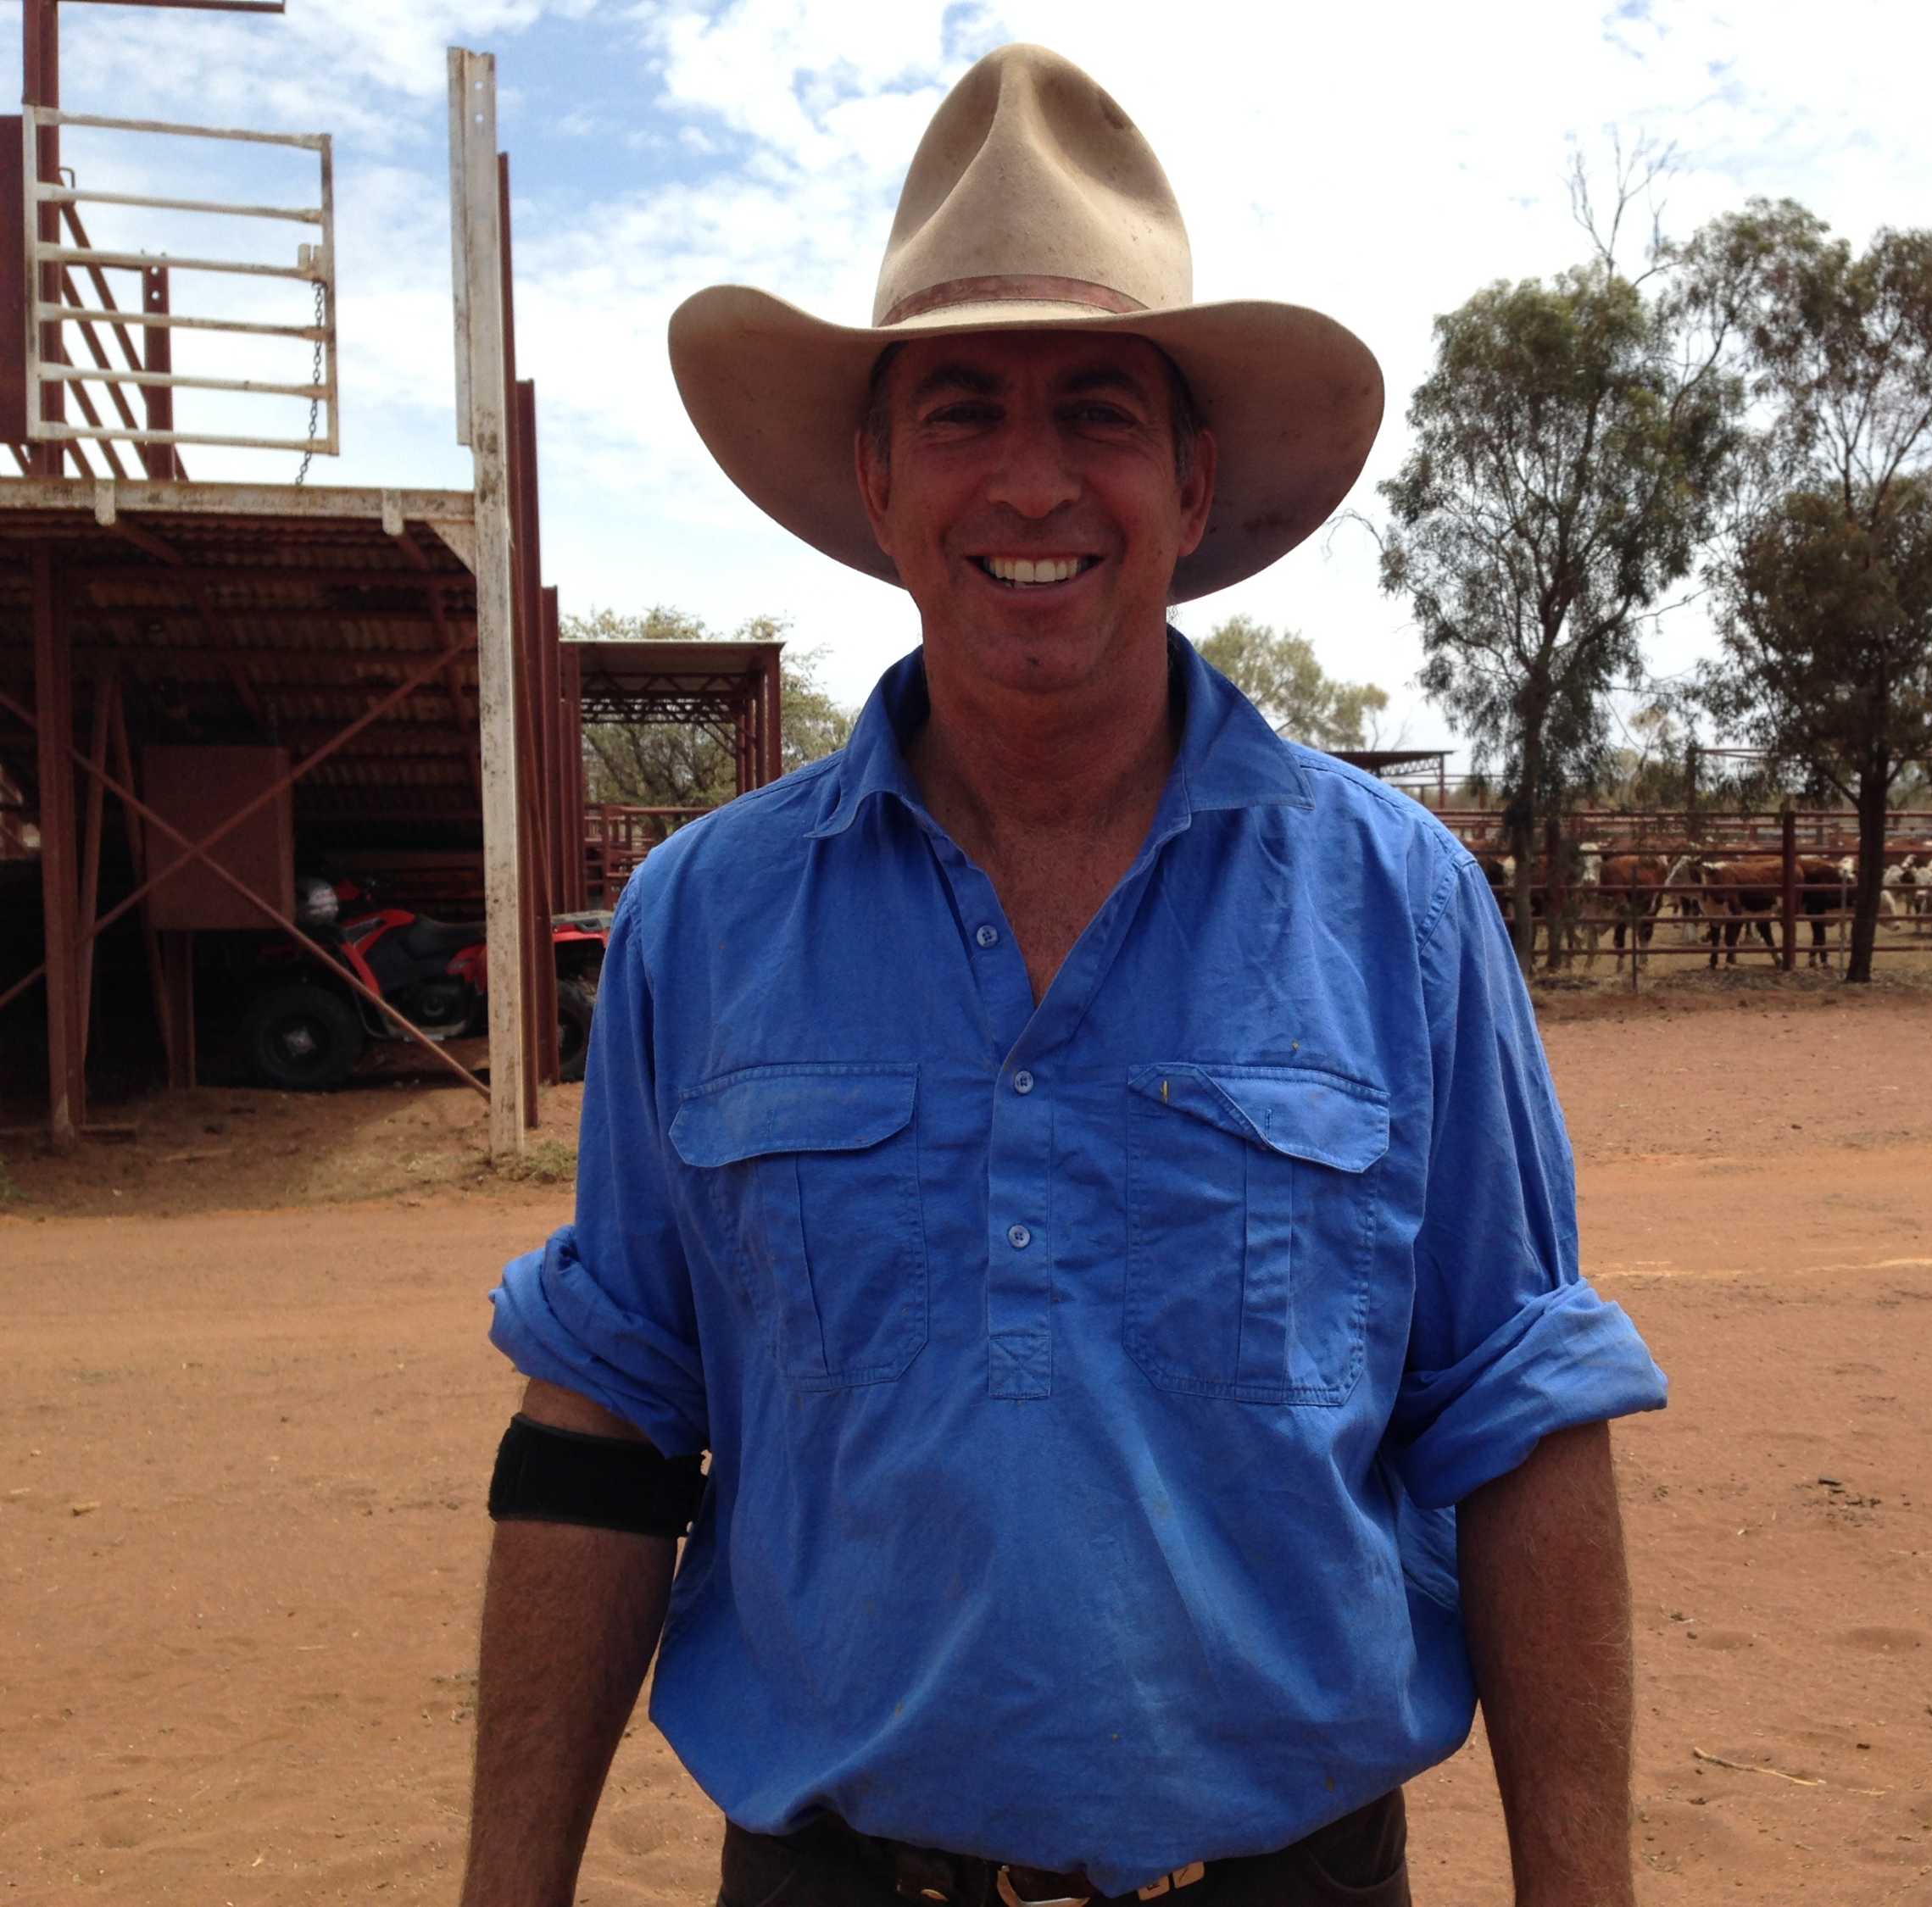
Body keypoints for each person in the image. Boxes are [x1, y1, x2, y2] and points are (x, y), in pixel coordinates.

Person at [461, 43, 1668, 1907]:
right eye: (959, 413)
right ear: (876, 480)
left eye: (1098, 411)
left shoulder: (1402, 910)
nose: (1033, 481)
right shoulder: (701, 923)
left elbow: (1516, 1418)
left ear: (1191, 481)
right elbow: (607, 1417)